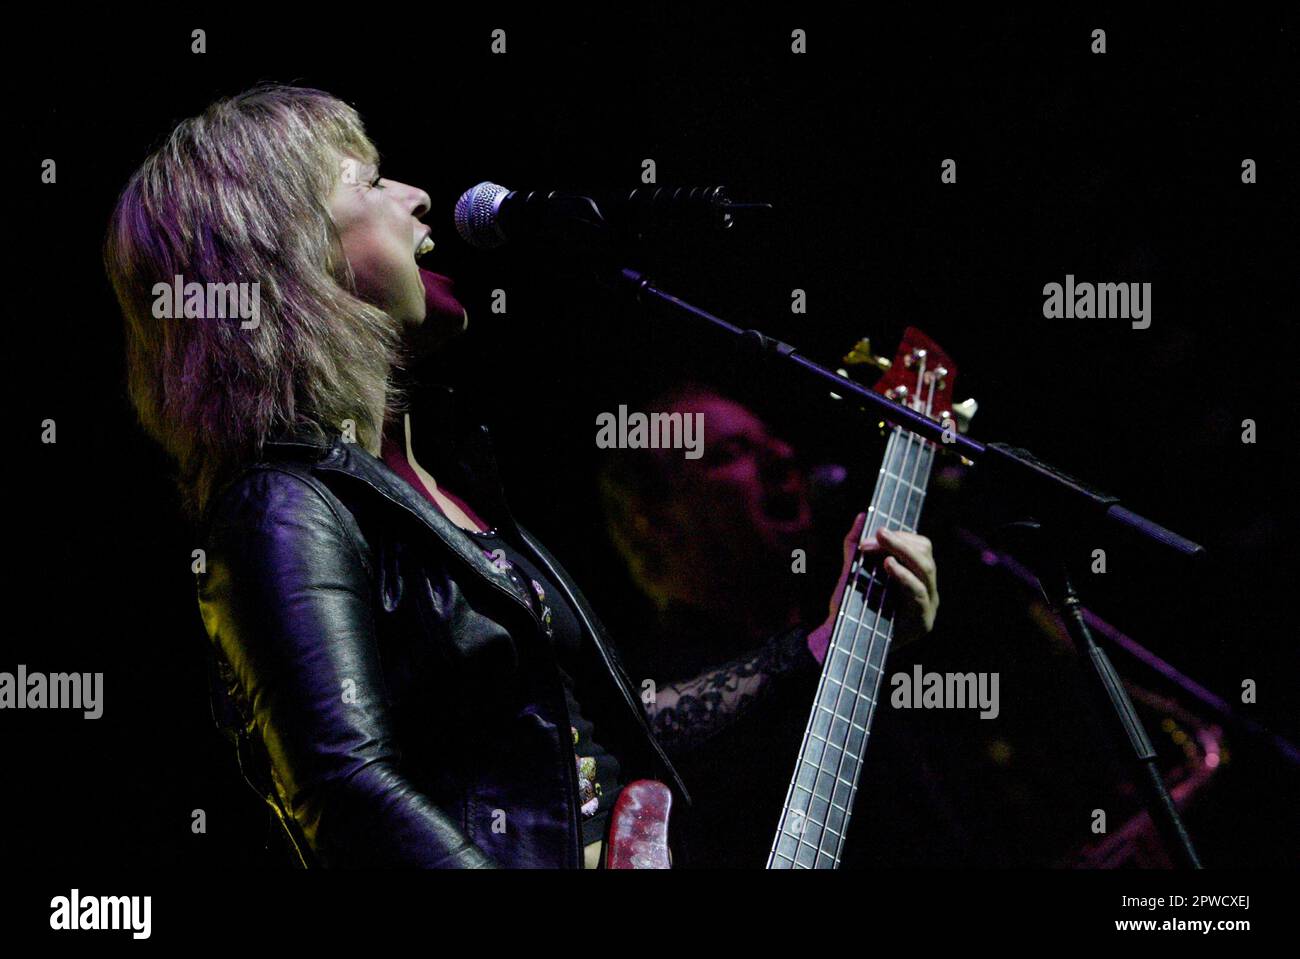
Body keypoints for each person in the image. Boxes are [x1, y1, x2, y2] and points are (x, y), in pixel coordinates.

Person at [598, 383, 944, 866]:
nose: (782, 455)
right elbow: (635, 738)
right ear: (652, 519)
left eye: (771, 441)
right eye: (728, 454)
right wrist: (819, 648)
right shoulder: (638, 671)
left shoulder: (869, 657)